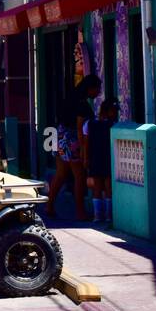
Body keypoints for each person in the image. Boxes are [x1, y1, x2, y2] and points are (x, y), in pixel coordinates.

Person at [47, 73, 101, 221]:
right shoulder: (82, 104)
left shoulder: (71, 97)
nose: (99, 92)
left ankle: (50, 206)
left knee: (61, 174)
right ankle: (80, 212)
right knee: (79, 176)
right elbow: (79, 129)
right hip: (72, 140)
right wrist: (84, 152)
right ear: (90, 88)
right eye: (97, 88)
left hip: (59, 136)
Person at [84, 97, 118, 223]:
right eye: (114, 111)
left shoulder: (89, 124)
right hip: (108, 158)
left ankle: (98, 216)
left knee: (97, 187)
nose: (115, 114)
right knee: (108, 186)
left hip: (95, 158)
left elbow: (86, 144)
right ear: (108, 111)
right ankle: (109, 216)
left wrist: (86, 158)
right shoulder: (114, 125)